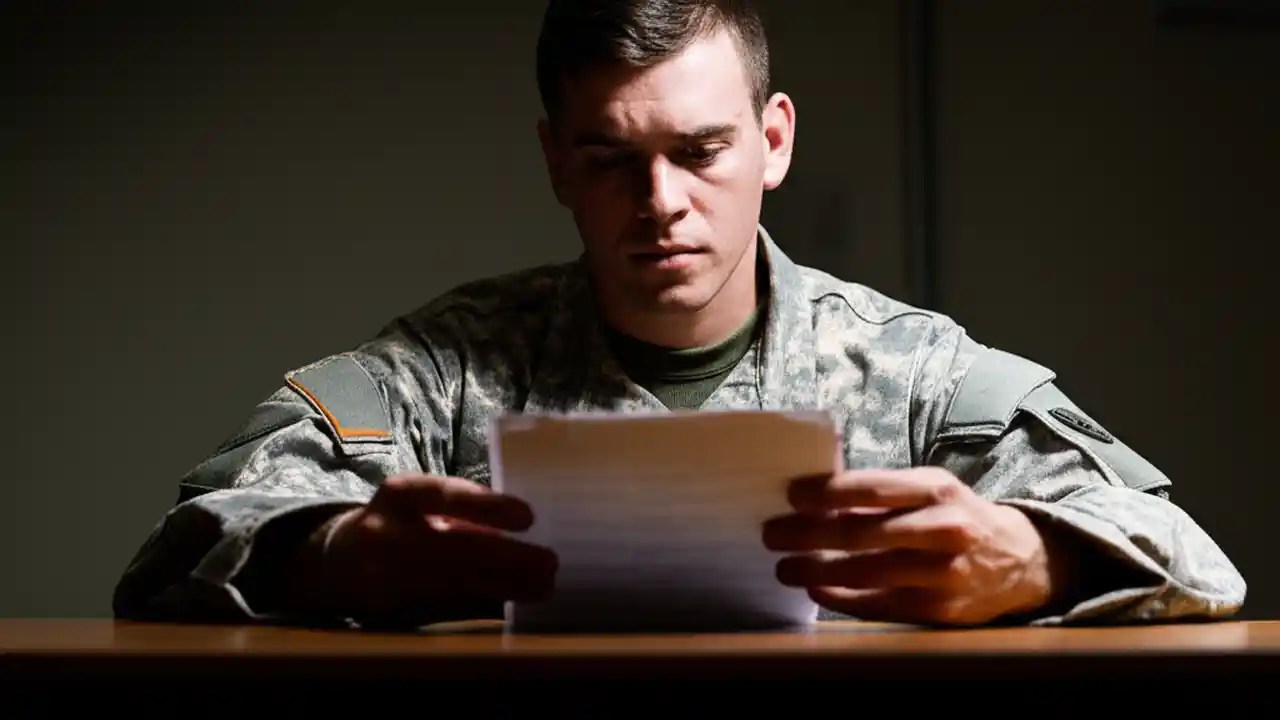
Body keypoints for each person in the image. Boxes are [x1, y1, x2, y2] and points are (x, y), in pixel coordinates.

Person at [112, 0, 1245, 630]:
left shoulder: (919, 373)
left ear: (774, 139)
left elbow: (1198, 562)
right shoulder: (440, 372)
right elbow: (174, 554)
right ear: (556, 161)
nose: (659, 205)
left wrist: (1035, 560)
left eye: (699, 151)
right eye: (610, 160)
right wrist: (340, 559)